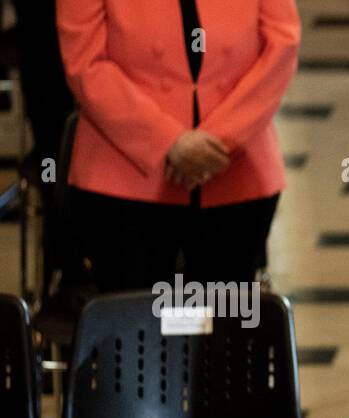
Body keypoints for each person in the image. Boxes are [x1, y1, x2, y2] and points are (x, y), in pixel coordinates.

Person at [57, 0, 300, 292]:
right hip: (124, 179)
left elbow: (282, 45)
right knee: (136, 324)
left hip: (235, 171)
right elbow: (84, 64)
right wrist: (168, 141)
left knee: (227, 325)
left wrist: (217, 143)